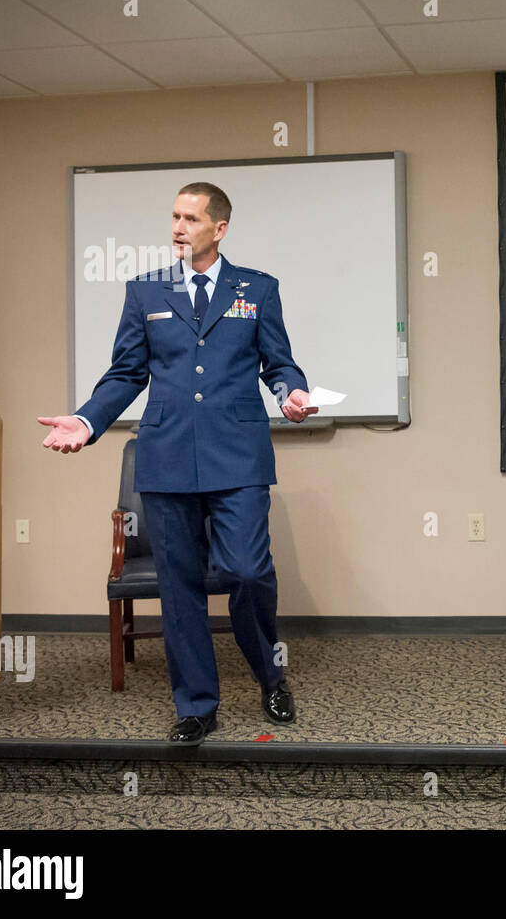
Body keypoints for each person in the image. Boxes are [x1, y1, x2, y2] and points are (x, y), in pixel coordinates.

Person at [38, 182, 317, 745]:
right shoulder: (146, 291)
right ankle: (196, 704)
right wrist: (87, 421)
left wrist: (291, 393)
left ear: (220, 228)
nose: (177, 228)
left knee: (246, 571)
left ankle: (269, 676)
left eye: (190, 218)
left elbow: (279, 362)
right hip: (165, 458)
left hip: (238, 456)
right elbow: (125, 373)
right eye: (173, 216)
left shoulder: (257, 288)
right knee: (179, 585)